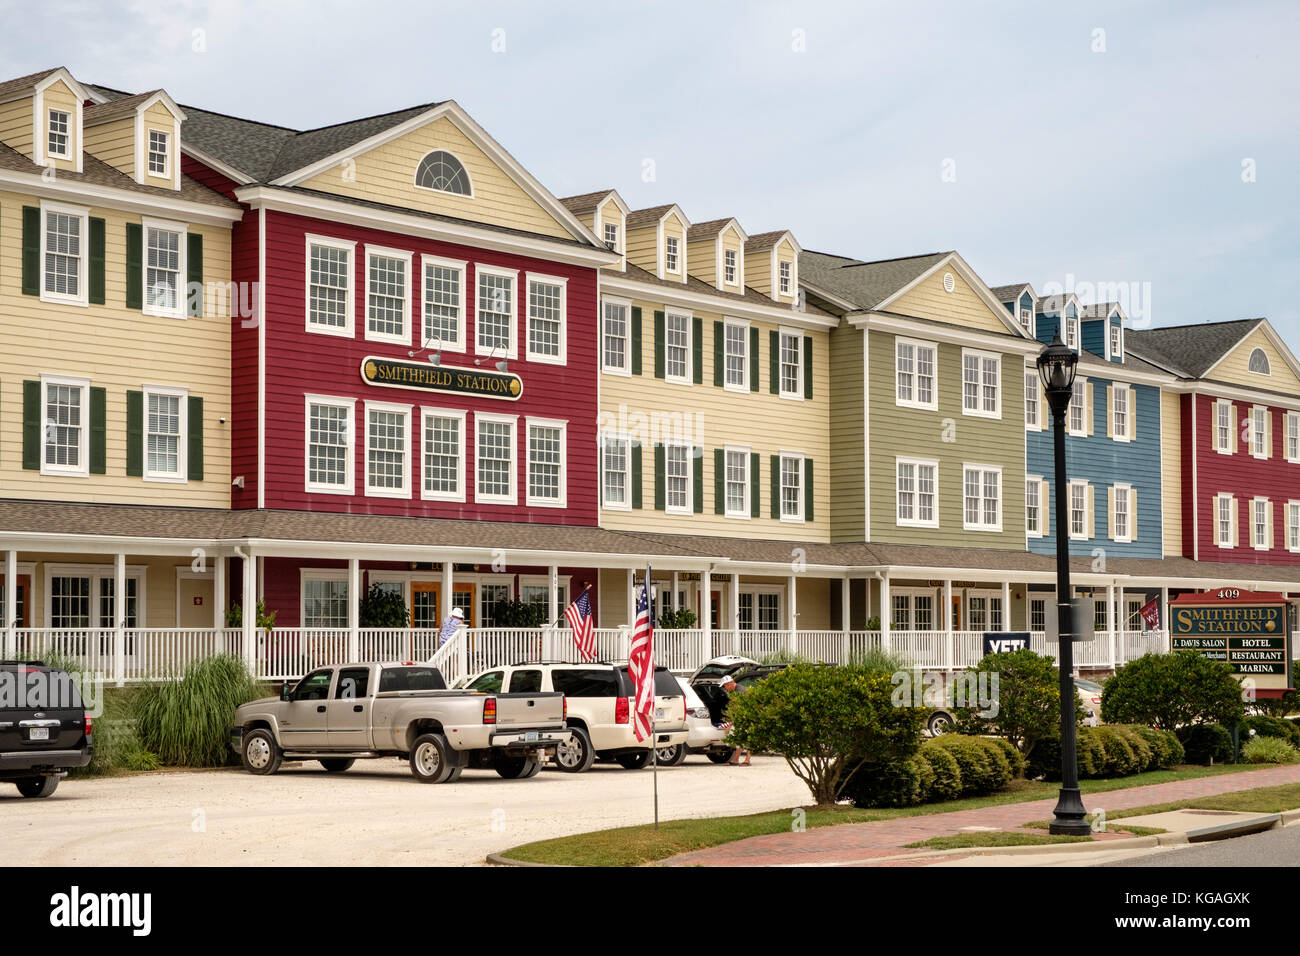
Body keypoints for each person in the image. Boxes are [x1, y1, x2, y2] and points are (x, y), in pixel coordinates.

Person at [715, 675, 751, 766]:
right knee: (741, 738)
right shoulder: (735, 690)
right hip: (743, 717)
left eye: (725, 686)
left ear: (729, 684)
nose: (725, 688)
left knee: (745, 738)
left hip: (747, 717)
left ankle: (746, 760)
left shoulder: (739, 691)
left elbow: (741, 709)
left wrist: (730, 723)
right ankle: (736, 759)